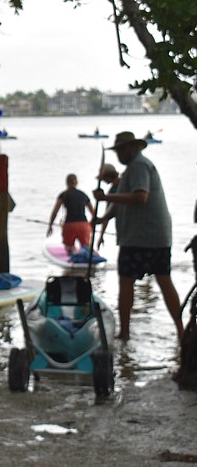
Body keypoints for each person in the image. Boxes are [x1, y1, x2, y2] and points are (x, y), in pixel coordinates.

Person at [93, 131, 183, 341]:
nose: (119, 154)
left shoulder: (139, 166)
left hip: (143, 236)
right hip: (151, 236)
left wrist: (105, 197)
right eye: (117, 151)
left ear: (132, 148)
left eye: (122, 150)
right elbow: (119, 204)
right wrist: (102, 218)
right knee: (161, 280)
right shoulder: (131, 170)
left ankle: (126, 332)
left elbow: (140, 197)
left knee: (130, 281)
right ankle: (180, 331)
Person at [46, 173, 95, 254]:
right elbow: (93, 213)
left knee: (69, 247)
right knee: (86, 247)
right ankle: (89, 257)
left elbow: (55, 212)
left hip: (70, 225)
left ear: (66, 183)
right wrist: (91, 225)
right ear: (77, 182)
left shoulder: (63, 195)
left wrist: (50, 225)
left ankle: (72, 253)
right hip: (83, 225)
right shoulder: (84, 195)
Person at [95, 163, 120, 250]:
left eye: (103, 178)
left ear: (108, 176)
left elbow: (107, 215)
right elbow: (108, 214)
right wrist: (101, 235)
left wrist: (104, 197)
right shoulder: (112, 191)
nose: (102, 181)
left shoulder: (124, 186)